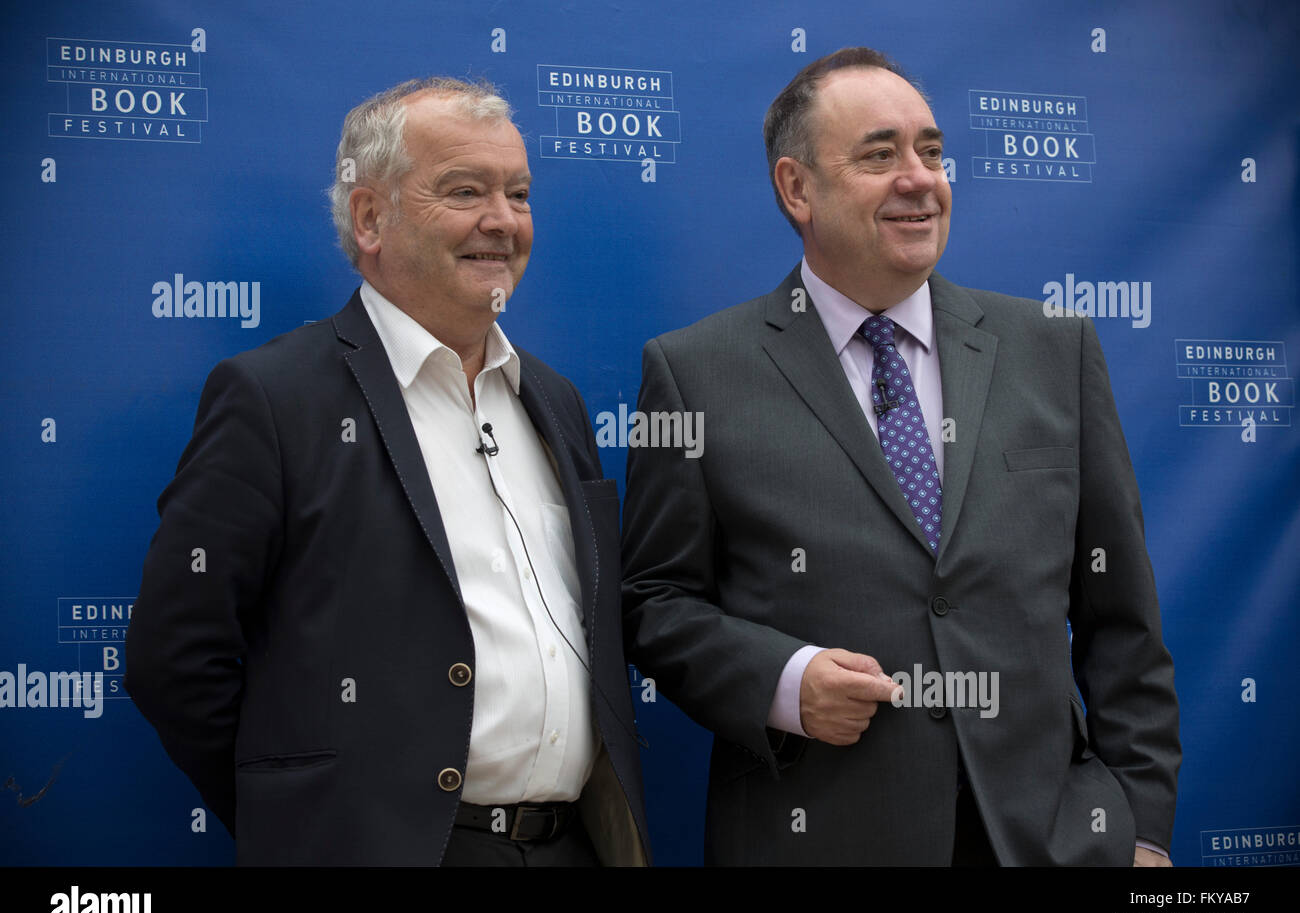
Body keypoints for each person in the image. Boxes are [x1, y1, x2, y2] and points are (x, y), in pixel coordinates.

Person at [621, 48, 1179, 866]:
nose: (920, 179)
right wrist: (784, 681)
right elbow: (654, 602)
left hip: (1052, 839)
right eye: (880, 155)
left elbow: (1121, 616)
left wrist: (1143, 828)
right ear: (797, 188)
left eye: (931, 150)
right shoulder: (695, 372)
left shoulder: (1053, 348)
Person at [128, 77, 649, 866]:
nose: (503, 221)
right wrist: (309, 820)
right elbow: (172, 657)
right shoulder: (275, 398)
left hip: (569, 847)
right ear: (371, 218)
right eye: (465, 191)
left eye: (518, 193)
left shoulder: (555, 401)